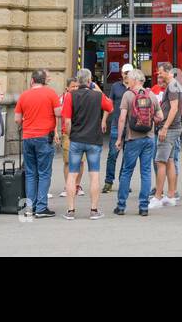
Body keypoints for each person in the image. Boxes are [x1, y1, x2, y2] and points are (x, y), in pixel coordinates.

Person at [61, 69, 113, 220]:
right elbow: (110, 107)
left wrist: (71, 135)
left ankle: (70, 211)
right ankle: (94, 210)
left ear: (77, 81)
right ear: (90, 80)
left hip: (76, 139)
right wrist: (98, 89)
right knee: (94, 175)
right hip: (93, 140)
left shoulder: (70, 96)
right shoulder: (97, 96)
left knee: (72, 175)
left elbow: (67, 121)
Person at [14, 69, 61, 219]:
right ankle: (41, 208)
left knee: (30, 173)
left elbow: (17, 119)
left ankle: (29, 208)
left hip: (28, 137)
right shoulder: (51, 93)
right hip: (44, 137)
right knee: (44, 173)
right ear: (44, 80)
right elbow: (59, 112)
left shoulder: (24, 95)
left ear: (32, 80)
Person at [114, 68, 157, 216]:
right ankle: (144, 207)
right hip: (149, 138)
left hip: (133, 139)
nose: (128, 82)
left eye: (129, 80)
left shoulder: (128, 95)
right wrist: (149, 120)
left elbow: (121, 118)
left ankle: (121, 206)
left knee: (127, 172)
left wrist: (119, 138)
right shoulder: (151, 94)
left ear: (134, 80)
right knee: (146, 172)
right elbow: (160, 116)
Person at [153, 62, 182, 207]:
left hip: (169, 128)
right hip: (174, 127)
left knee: (160, 162)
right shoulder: (175, 85)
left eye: (160, 73)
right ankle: (171, 195)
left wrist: (164, 127)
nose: (158, 75)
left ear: (167, 72)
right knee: (170, 160)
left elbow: (174, 108)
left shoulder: (172, 86)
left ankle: (158, 197)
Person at [102, 62, 131, 194]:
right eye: (125, 73)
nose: (127, 75)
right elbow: (109, 104)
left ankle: (124, 182)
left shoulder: (135, 87)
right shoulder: (115, 86)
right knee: (112, 155)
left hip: (131, 127)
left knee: (127, 156)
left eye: (129, 73)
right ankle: (108, 182)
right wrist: (104, 120)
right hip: (115, 125)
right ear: (121, 73)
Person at [58, 76, 83, 199]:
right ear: (67, 88)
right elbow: (57, 117)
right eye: (73, 86)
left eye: (77, 86)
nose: (75, 88)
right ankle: (68, 186)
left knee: (81, 161)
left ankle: (77, 185)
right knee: (68, 161)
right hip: (67, 133)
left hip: (81, 132)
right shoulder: (62, 99)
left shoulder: (83, 98)